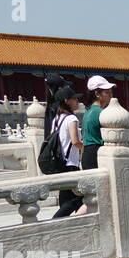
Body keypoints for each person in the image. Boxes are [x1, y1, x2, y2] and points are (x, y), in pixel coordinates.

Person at [50, 87, 85, 218]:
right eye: (75, 98)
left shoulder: (56, 120)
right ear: (67, 101)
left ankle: (65, 223)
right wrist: (85, 149)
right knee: (76, 199)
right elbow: (75, 141)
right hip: (70, 163)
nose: (77, 101)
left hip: (59, 163)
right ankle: (55, 222)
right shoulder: (71, 119)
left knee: (65, 198)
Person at [80, 75, 114, 170]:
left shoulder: (89, 110)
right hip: (96, 153)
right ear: (97, 94)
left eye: (111, 92)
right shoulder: (99, 112)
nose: (110, 95)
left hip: (87, 153)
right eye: (107, 92)